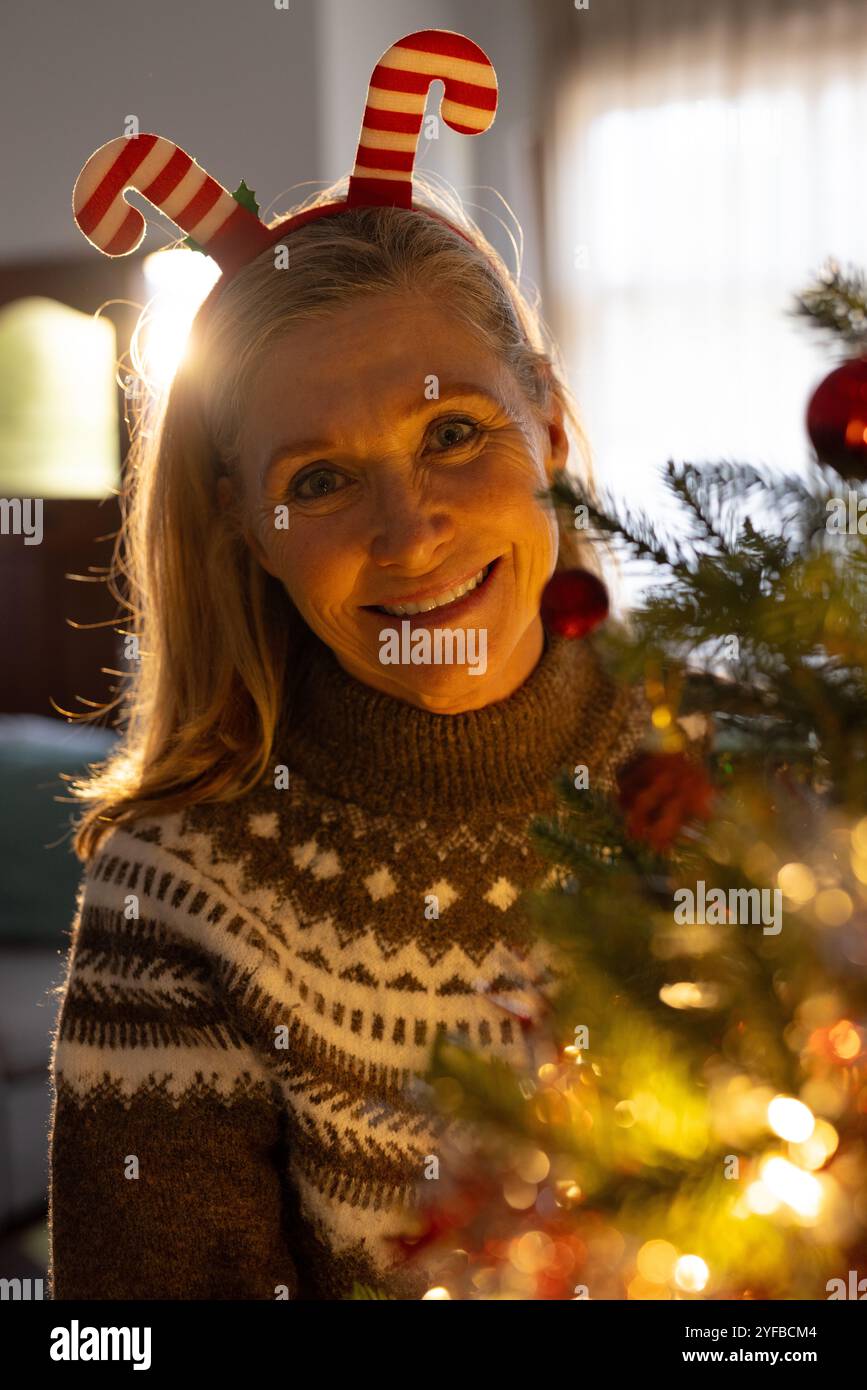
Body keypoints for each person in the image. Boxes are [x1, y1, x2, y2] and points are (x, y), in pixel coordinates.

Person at [48, 31, 649, 1302]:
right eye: (318, 479)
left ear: (542, 417)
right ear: (241, 528)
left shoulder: (749, 786)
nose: (409, 530)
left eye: (451, 432)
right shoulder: (178, 900)